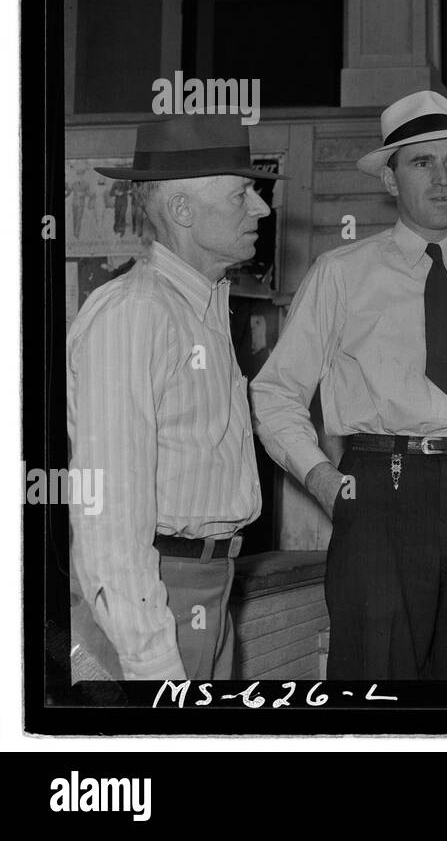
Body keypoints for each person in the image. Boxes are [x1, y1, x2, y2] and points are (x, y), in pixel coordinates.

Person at [251, 89, 447, 680]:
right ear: (390, 181)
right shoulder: (341, 274)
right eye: (421, 162)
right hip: (380, 493)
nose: (443, 179)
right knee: (376, 682)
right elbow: (275, 392)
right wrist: (322, 480)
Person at [66, 114, 272, 680]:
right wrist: (151, 662)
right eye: (242, 193)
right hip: (156, 600)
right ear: (182, 211)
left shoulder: (201, 306)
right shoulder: (135, 314)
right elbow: (107, 518)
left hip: (210, 587)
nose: (262, 208)